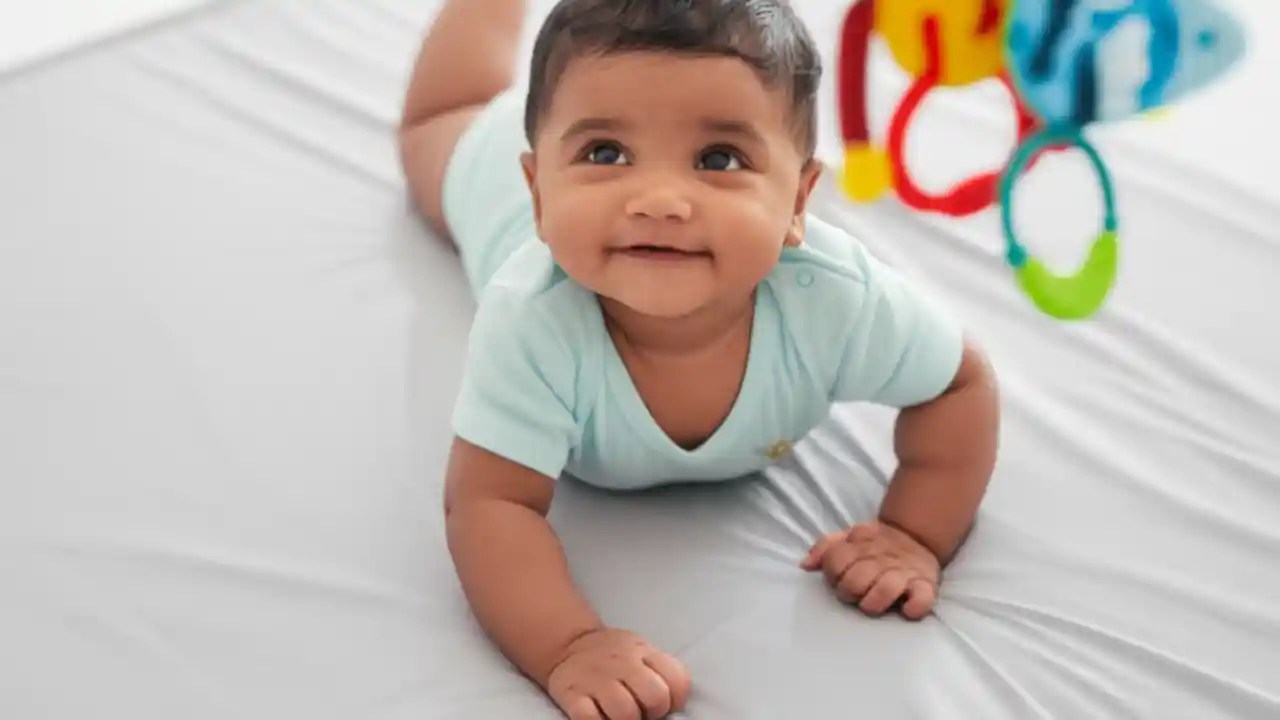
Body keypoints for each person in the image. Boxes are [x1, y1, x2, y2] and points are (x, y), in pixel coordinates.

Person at [399, 1, 999, 718]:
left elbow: (960, 383)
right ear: (538, 189)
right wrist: (568, 645)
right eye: (606, 154)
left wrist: (913, 533)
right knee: (442, 118)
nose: (658, 200)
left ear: (799, 202)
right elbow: (490, 503)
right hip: (483, 178)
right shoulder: (532, 321)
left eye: (719, 160)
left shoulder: (837, 302)